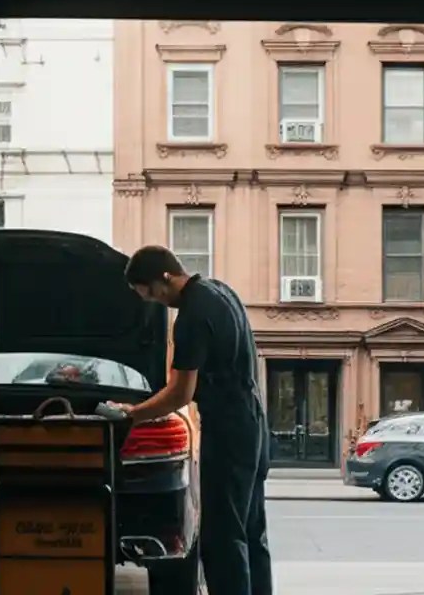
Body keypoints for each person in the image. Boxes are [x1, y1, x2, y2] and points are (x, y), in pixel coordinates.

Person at [117, 245, 273, 595]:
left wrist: (132, 414)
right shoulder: (222, 291)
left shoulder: (190, 316)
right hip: (254, 422)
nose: (153, 302)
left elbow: (179, 393)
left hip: (229, 429)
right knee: (250, 530)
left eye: (152, 293)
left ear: (166, 277)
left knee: (221, 538)